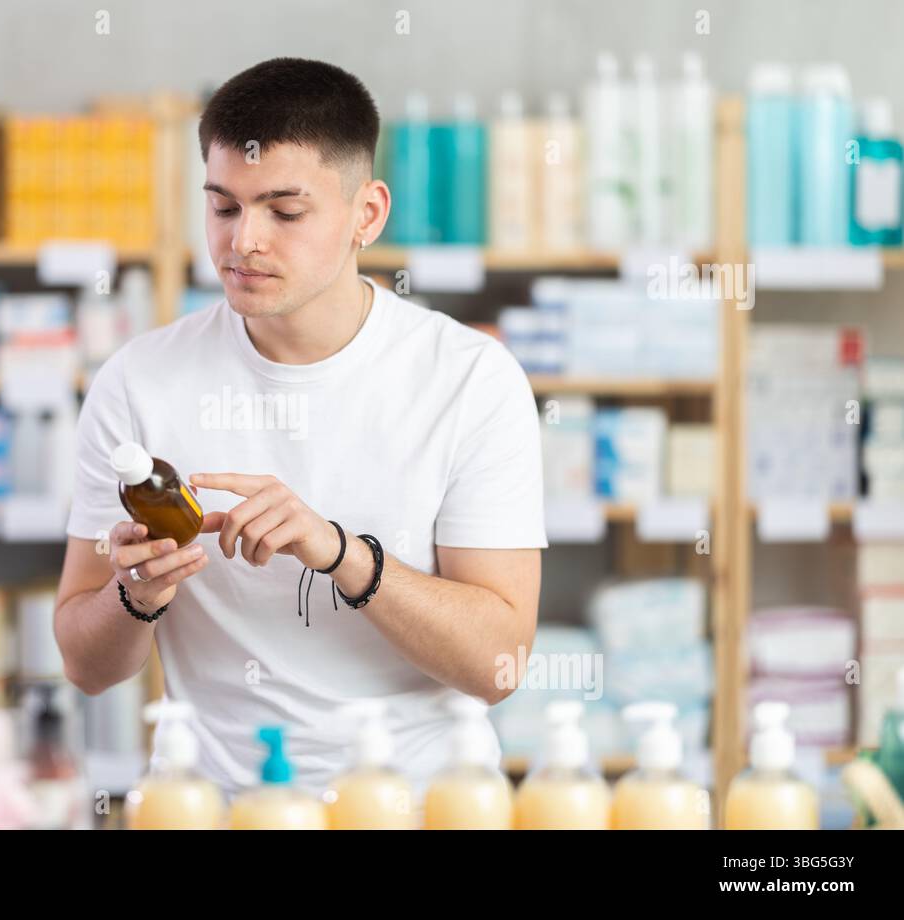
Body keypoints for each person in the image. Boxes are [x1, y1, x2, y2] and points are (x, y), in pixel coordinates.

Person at [55, 57, 545, 799]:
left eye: (284, 212)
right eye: (223, 208)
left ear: (367, 216)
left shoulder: (470, 378)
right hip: (209, 807)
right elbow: (87, 669)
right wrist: (134, 595)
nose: (243, 241)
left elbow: (498, 665)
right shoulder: (139, 383)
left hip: (418, 806)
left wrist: (343, 555)